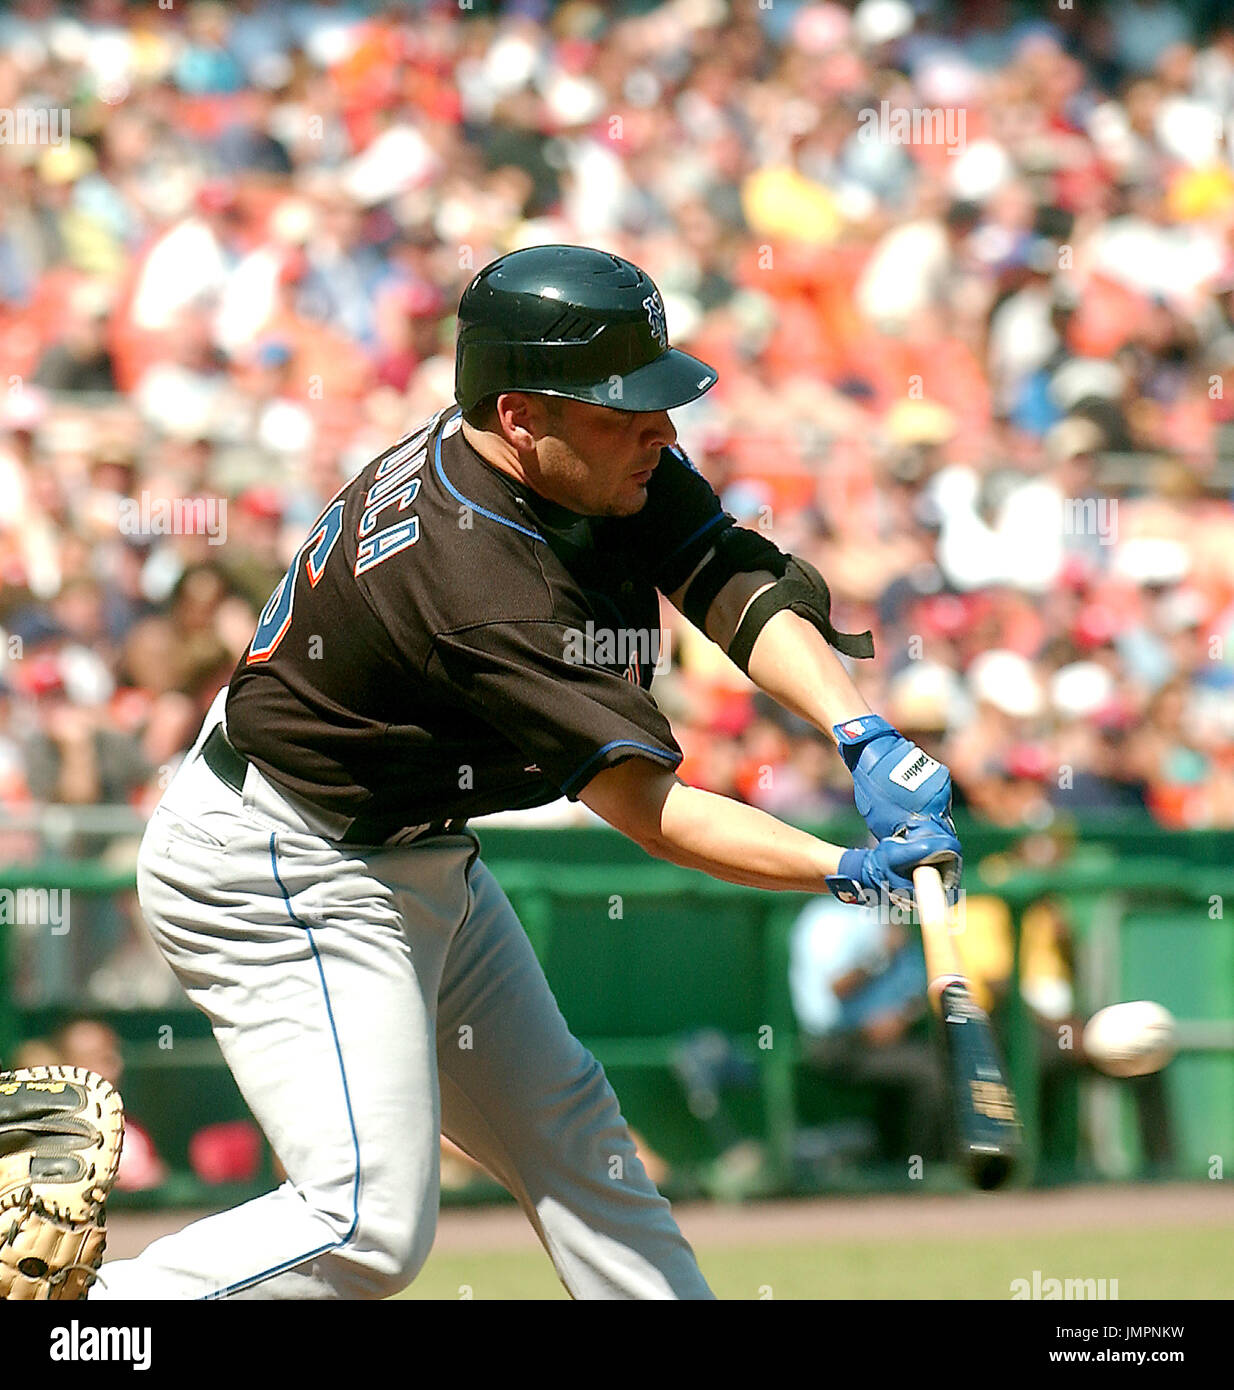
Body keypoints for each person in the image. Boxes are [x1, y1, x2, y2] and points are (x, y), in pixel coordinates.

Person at [77, 244, 961, 1301]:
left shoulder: (580, 458)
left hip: (407, 847)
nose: (661, 432)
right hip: (280, 867)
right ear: (519, 415)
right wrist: (844, 866)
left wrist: (861, 732)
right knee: (364, 1220)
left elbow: (725, 575)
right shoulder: (478, 577)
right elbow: (648, 809)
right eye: (623, 412)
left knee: (576, 1143)